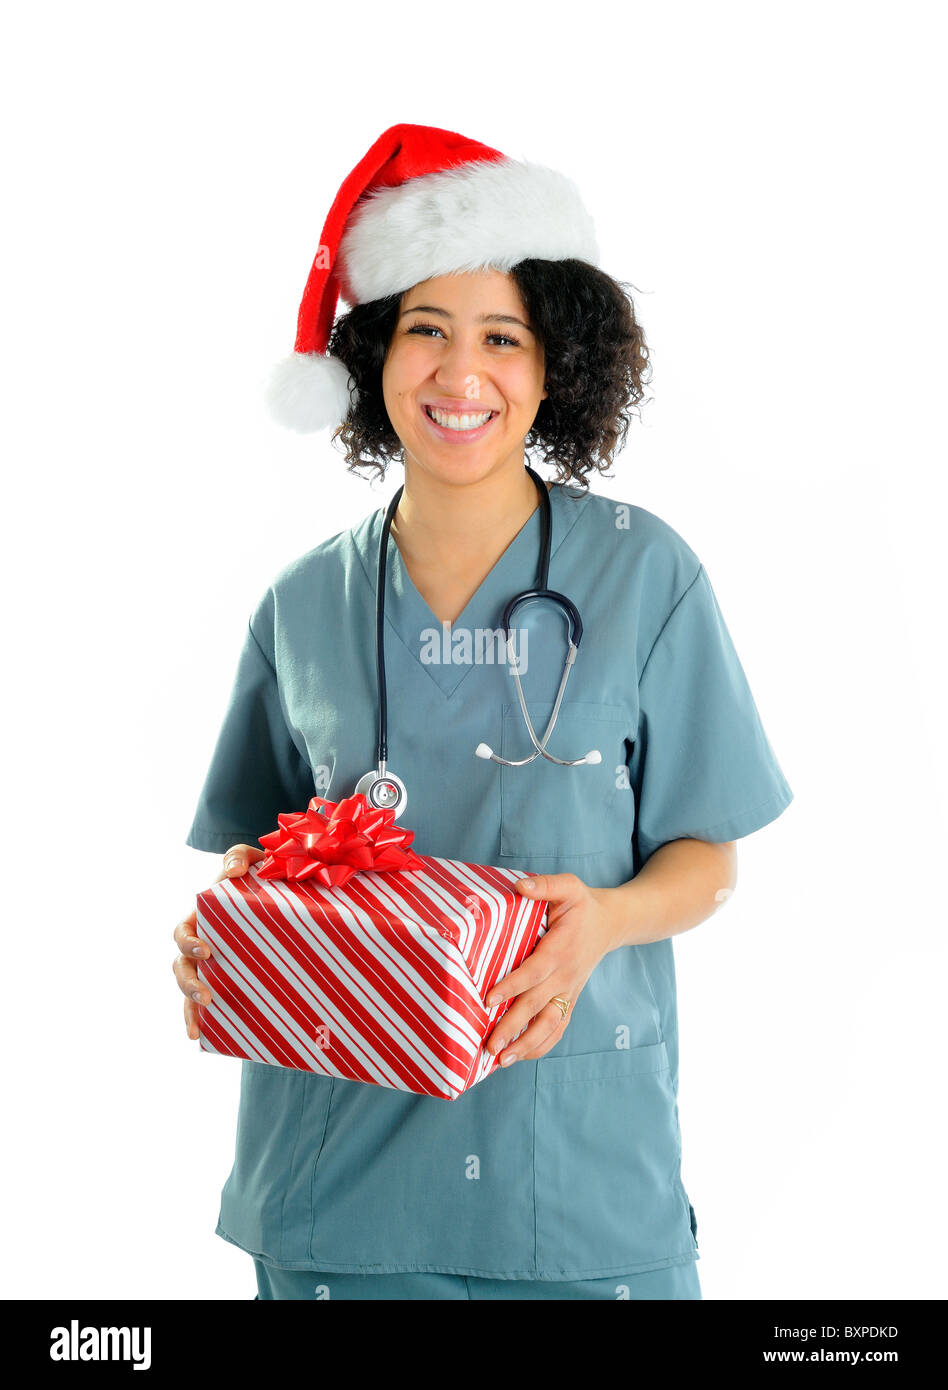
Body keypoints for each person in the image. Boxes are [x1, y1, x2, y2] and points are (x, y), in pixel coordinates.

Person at [173, 124, 793, 1301]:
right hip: (336, 1194)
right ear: (372, 357)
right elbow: (259, 858)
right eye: (426, 331)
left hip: (577, 1185)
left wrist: (605, 922)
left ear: (556, 363)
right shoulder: (302, 604)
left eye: (502, 337)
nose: (462, 376)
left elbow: (709, 859)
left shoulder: (645, 577)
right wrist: (229, 942)